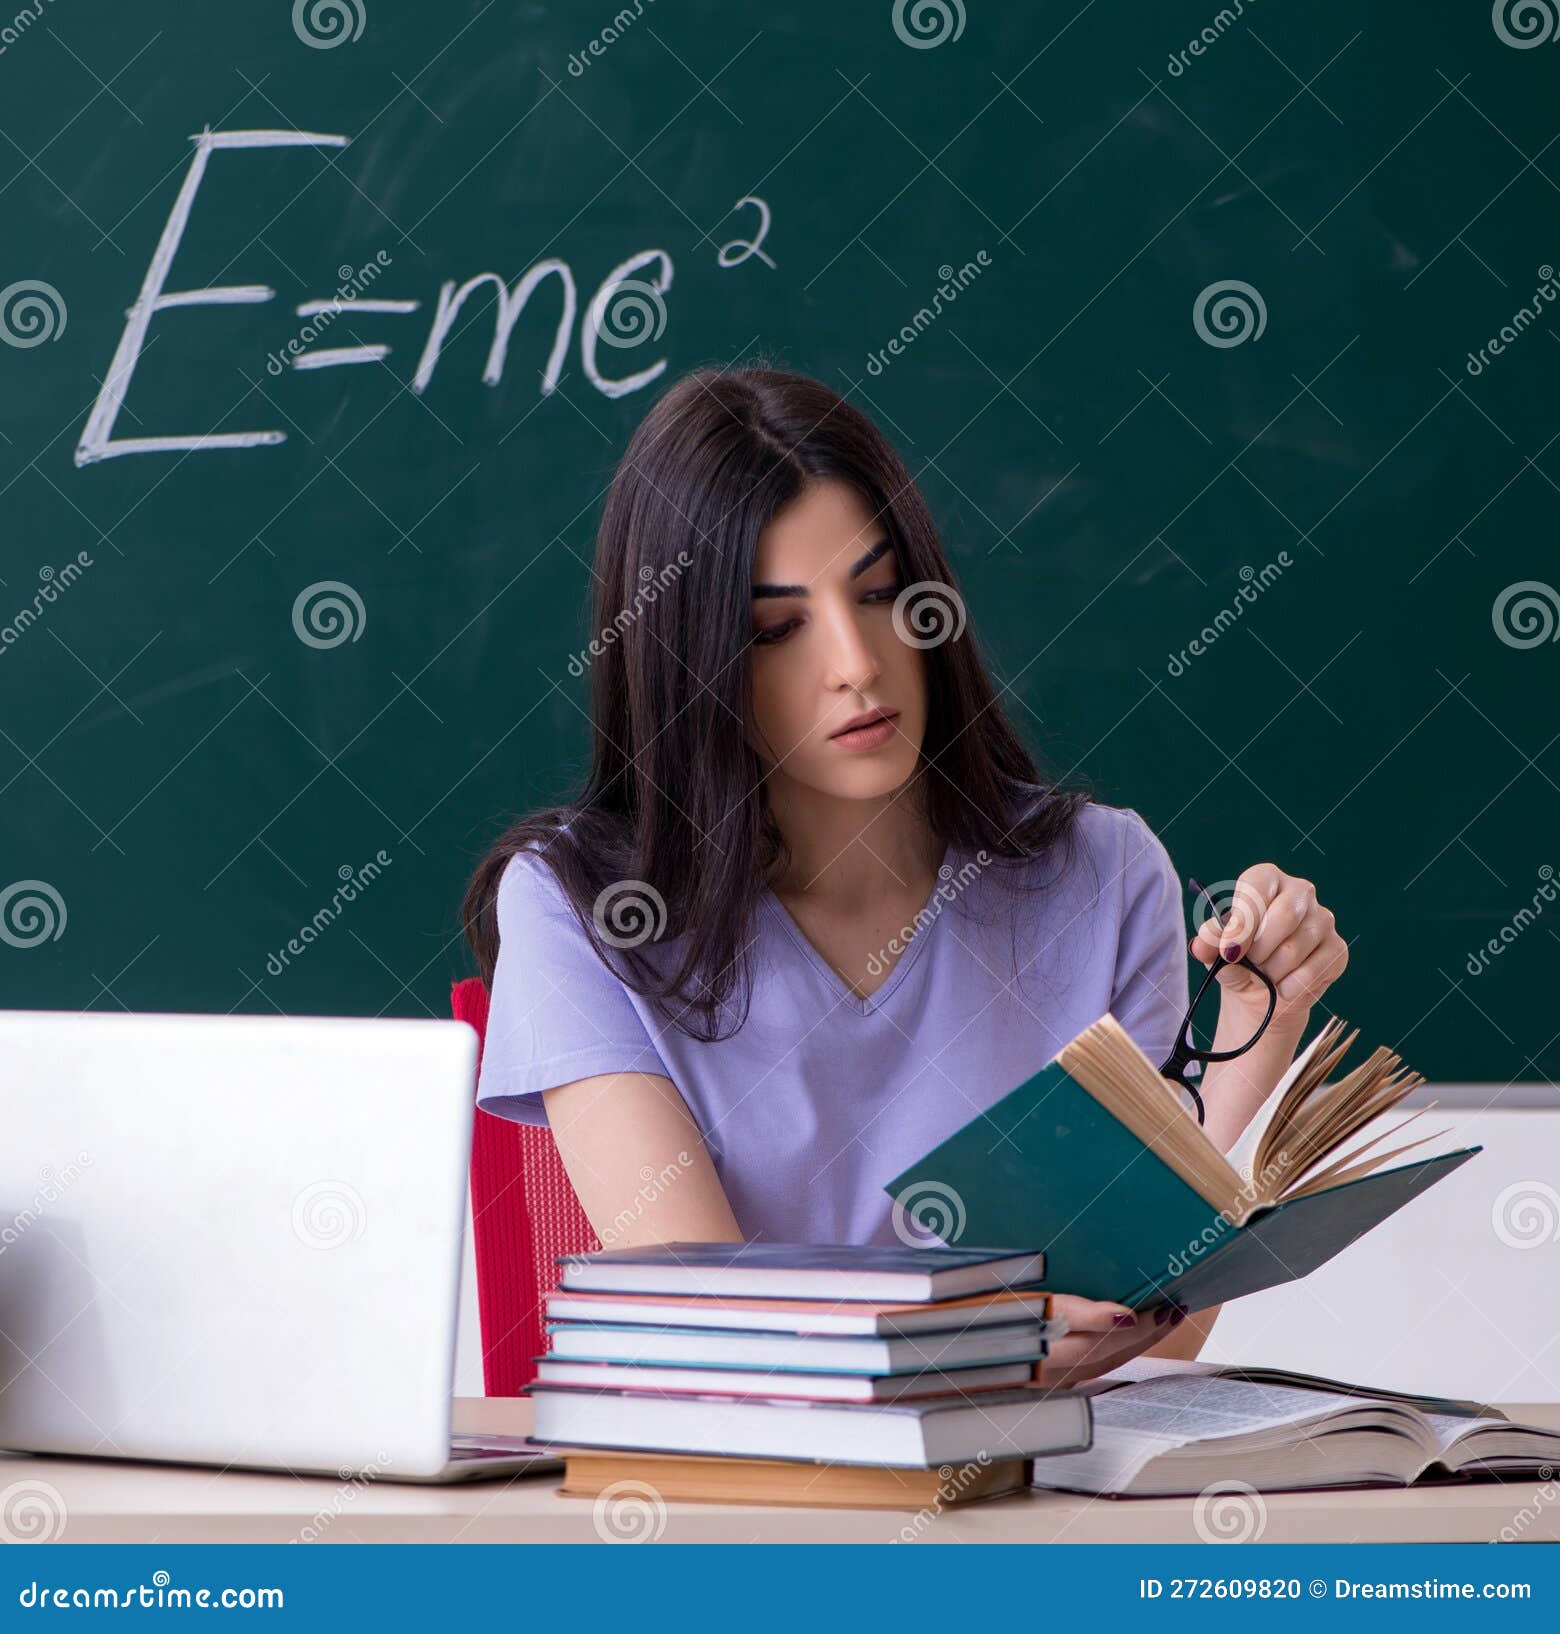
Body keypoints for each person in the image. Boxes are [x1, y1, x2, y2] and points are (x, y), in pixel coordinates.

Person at [460, 365, 1347, 1387]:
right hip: (751, 1521)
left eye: (879, 594)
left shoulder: (1103, 873)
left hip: (1026, 1512)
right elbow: (707, 1329)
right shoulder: (577, 904)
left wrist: (1251, 1028)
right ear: (688, 659)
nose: (856, 661)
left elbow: (1152, 1338)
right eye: (776, 628)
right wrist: (987, 1340)